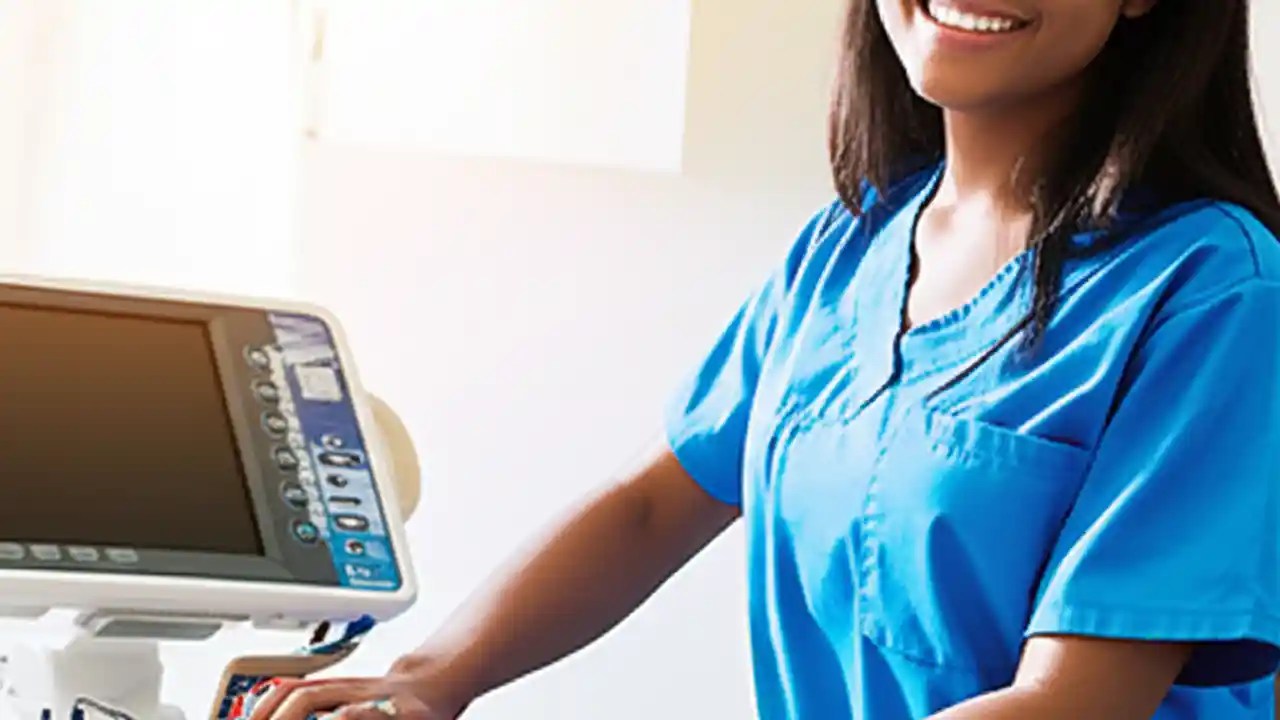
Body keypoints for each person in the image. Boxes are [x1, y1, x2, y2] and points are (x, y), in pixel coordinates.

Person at [253, 0, 1280, 718]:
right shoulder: (853, 244)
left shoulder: (1214, 294)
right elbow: (652, 504)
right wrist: (432, 676)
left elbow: (1071, 703)